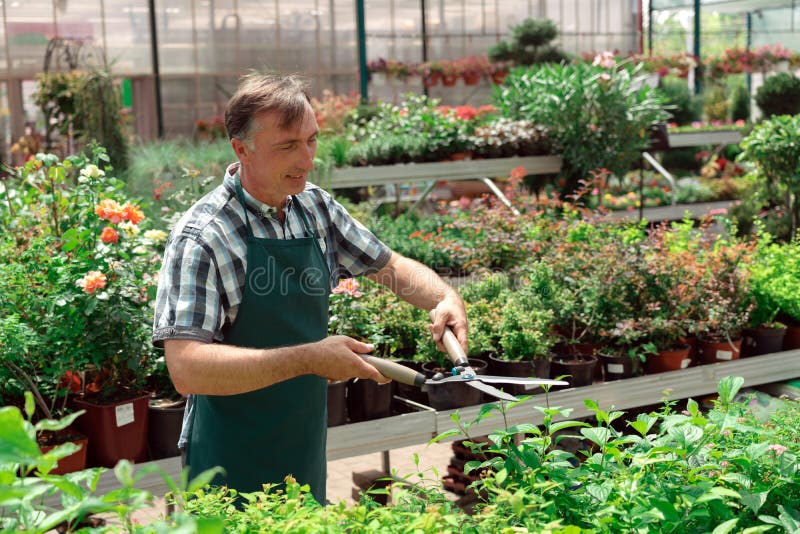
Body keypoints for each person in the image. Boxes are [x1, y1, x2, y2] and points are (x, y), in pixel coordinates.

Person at [152, 73, 468, 504]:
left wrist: (443, 298)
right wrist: (308, 358)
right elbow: (186, 368)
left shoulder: (313, 206)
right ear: (241, 149)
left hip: (301, 447)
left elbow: (389, 265)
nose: (307, 159)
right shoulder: (204, 235)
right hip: (229, 458)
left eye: (312, 141)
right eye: (287, 146)